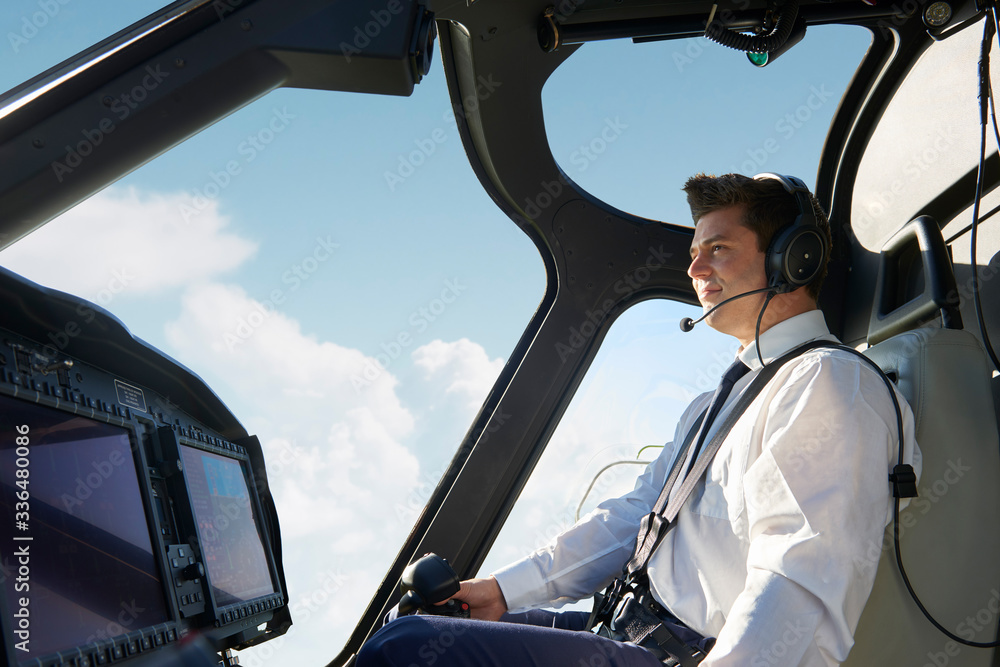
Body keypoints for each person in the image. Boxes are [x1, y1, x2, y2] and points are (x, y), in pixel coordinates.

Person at [356, 173, 921, 666]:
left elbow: (801, 572)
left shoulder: (826, 384)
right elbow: (633, 519)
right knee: (419, 633)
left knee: (403, 654)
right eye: (696, 251)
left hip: (686, 653)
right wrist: (505, 591)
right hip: (627, 629)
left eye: (718, 248)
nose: (695, 267)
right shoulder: (719, 402)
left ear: (793, 258)